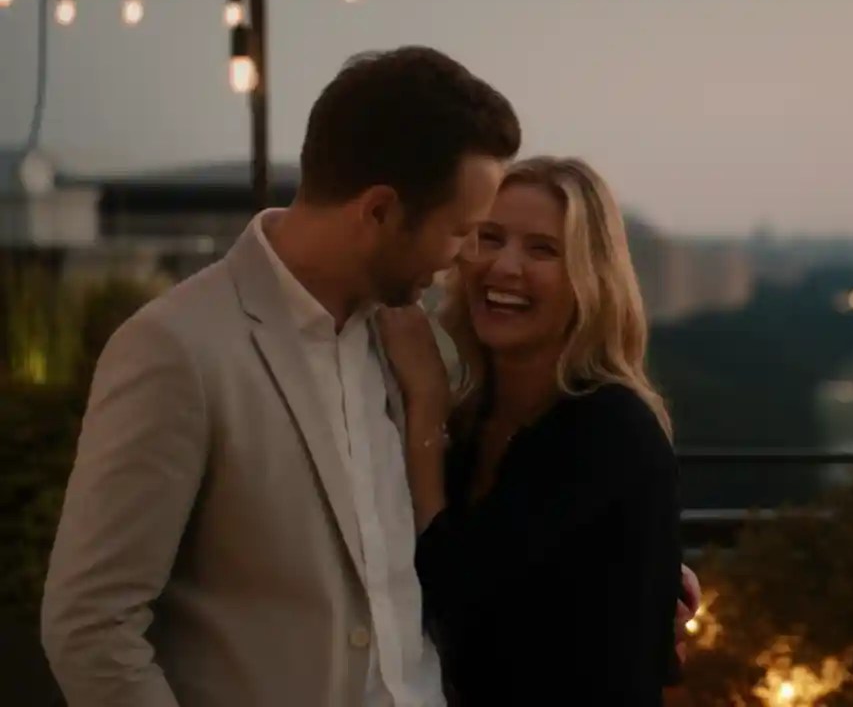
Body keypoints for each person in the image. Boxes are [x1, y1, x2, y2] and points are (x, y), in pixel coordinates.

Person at [41, 46, 519, 707]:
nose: (468, 256)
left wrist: (630, 569)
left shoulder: (412, 340)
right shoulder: (176, 349)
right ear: (378, 212)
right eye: (459, 231)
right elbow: (91, 626)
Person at [378, 156, 684, 704]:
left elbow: (450, 589)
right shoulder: (474, 418)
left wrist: (423, 408)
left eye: (542, 249)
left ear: (589, 280)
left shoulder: (609, 428)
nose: (503, 267)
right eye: (488, 238)